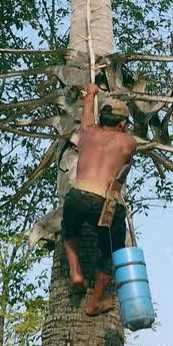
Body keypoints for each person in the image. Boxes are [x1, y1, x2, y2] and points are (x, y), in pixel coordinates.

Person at [62, 80, 137, 316]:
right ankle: (94, 302)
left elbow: (87, 108)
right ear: (123, 124)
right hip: (103, 201)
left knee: (69, 230)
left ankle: (75, 273)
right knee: (110, 252)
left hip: (76, 194)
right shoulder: (128, 142)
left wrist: (92, 91)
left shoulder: (87, 132)